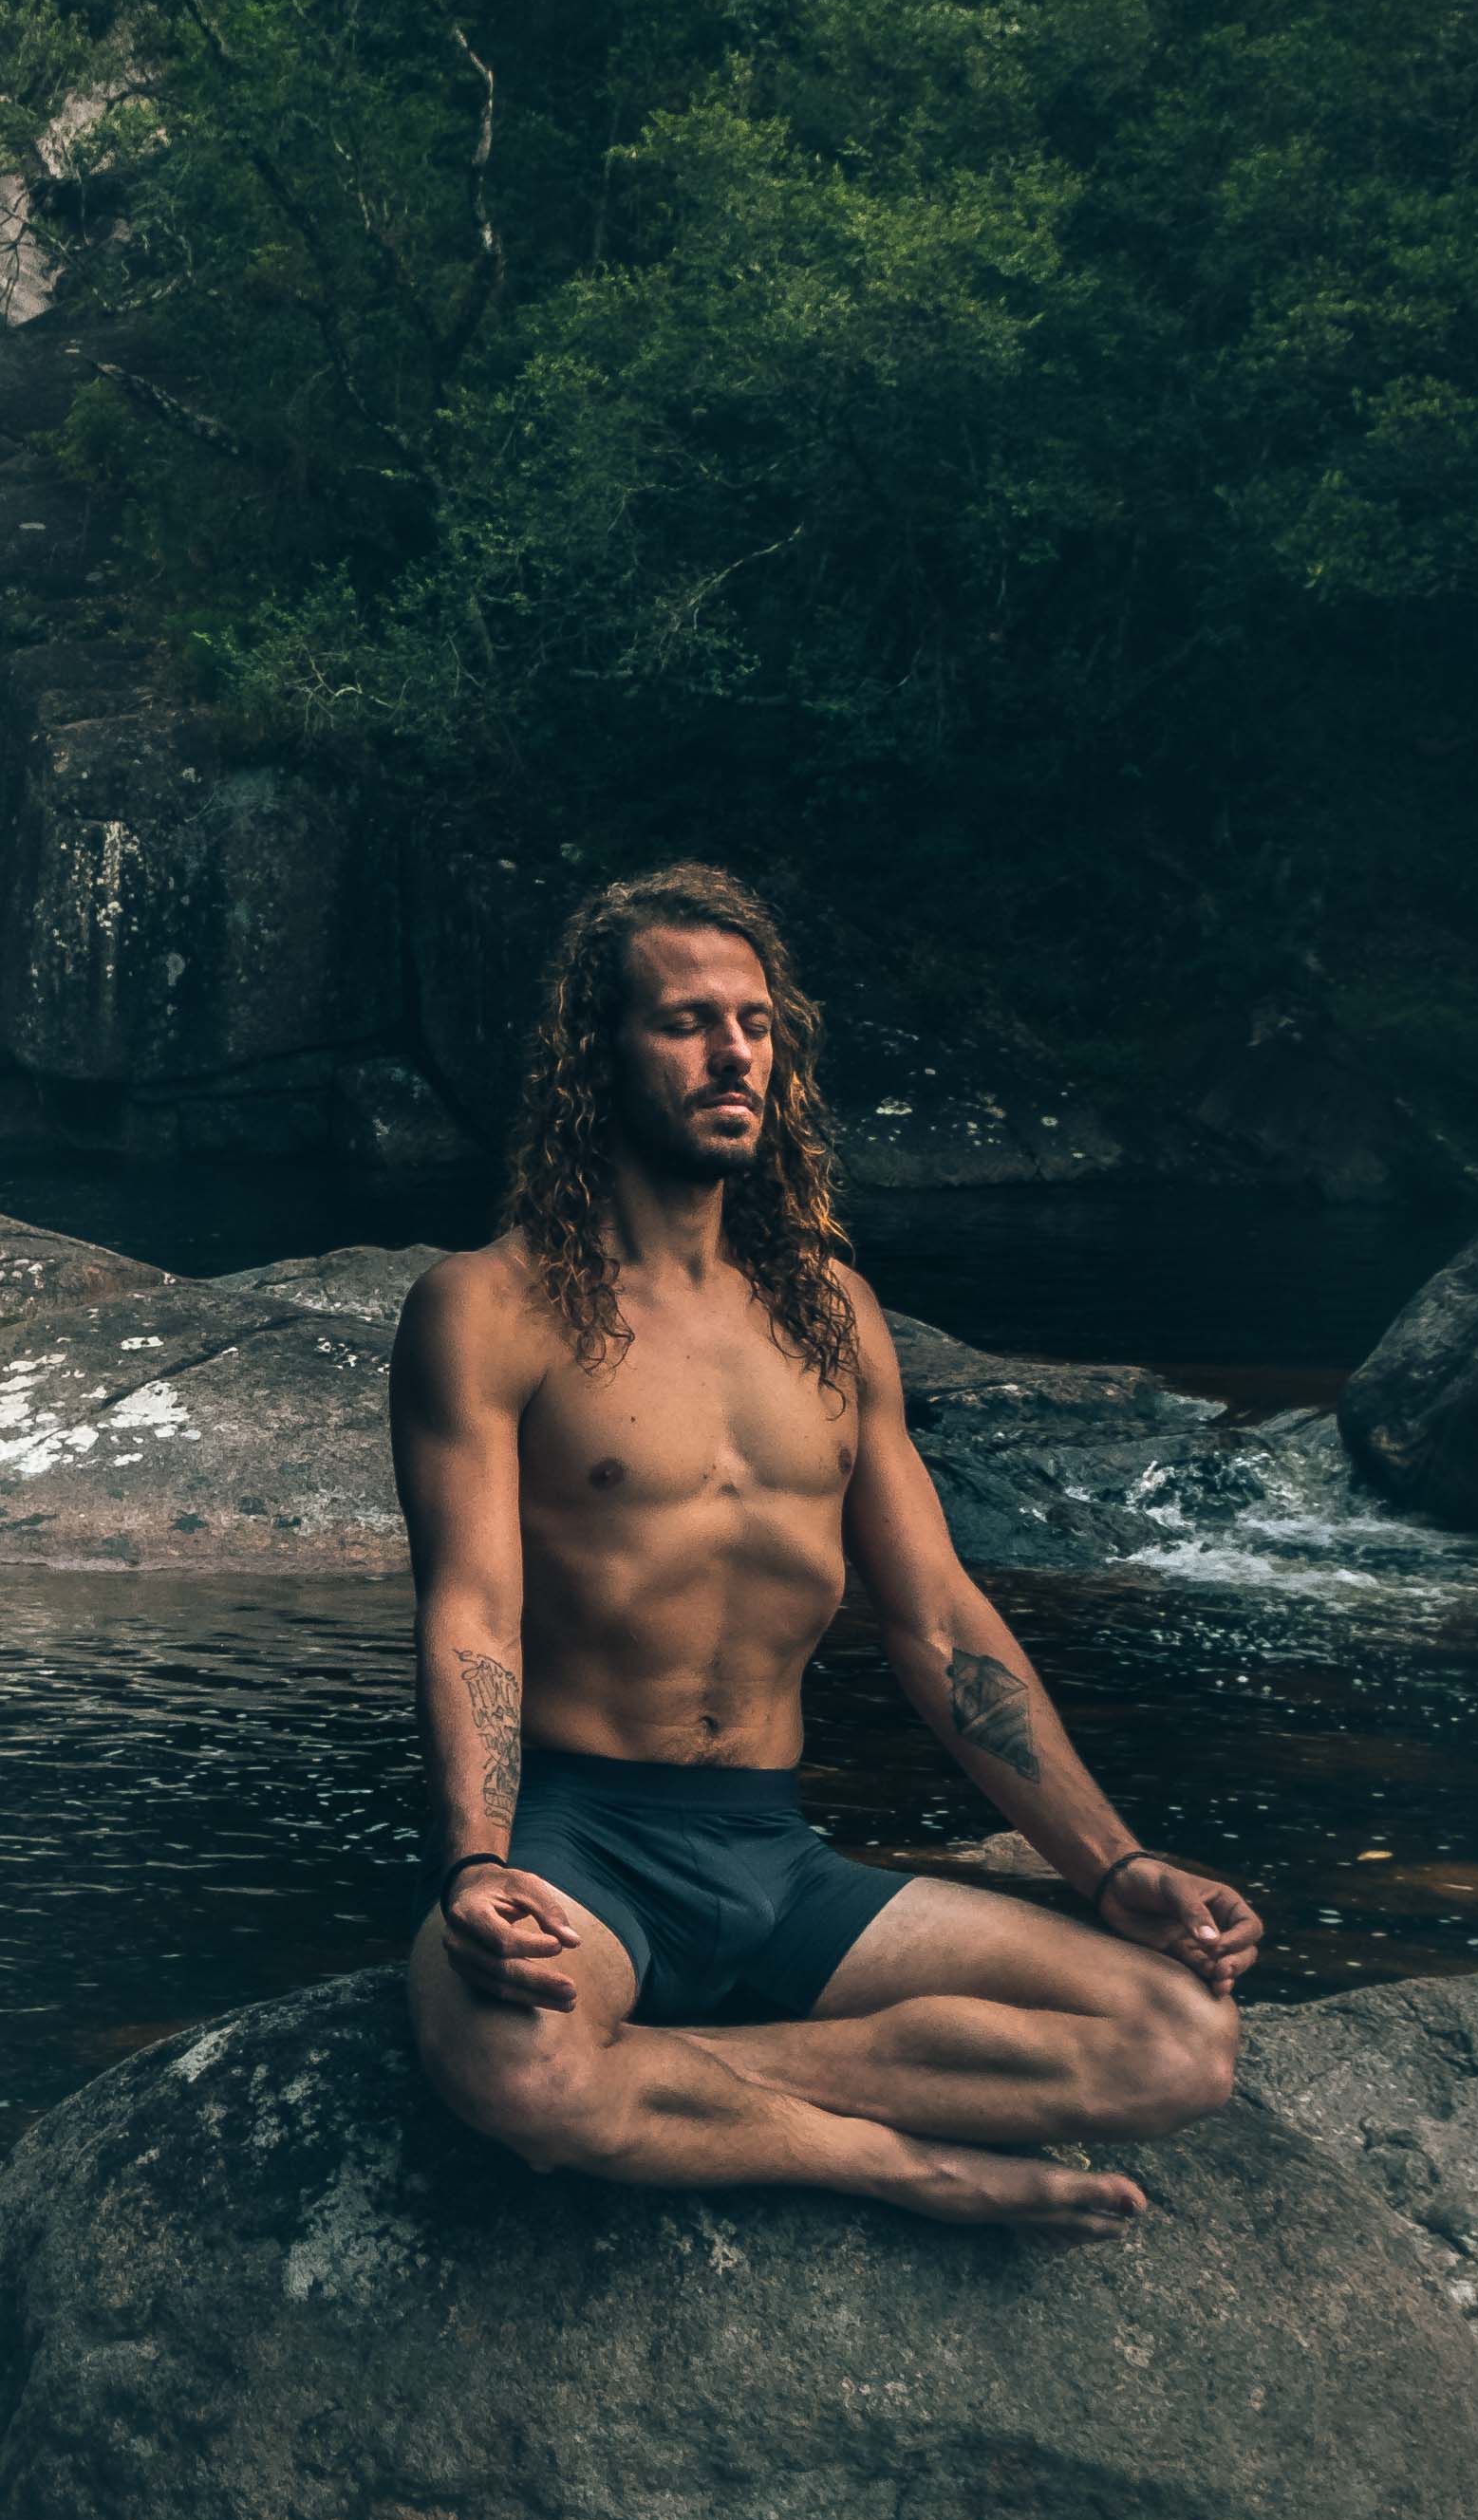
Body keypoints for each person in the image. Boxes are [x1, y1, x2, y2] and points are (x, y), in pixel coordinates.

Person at [390, 860, 1260, 2229]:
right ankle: (900, 2166)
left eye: (755, 1021)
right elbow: (473, 1616)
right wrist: (476, 1861)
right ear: (596, 1052)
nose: (732, 1051)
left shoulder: (831, 1316)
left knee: (1180, 2038)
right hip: (580, 1842)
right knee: (531, 2076)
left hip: (771, 1854)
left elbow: (943, 1629)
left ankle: (672, 2084)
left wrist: (1112, 1866)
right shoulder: (489, 1309)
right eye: (685, 1021)